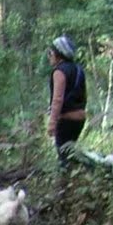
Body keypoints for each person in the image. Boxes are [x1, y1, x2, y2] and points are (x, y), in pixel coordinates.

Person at [47, 35, 88, 163]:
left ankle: (102, 163)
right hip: (79, 119)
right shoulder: (78, 69)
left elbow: (57, 99)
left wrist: (52, 123)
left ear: (58, 54)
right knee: (71, 155)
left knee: (64, 158)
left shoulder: (59, 72)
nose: (49, 56)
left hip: (66, 120)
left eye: (51, 52)